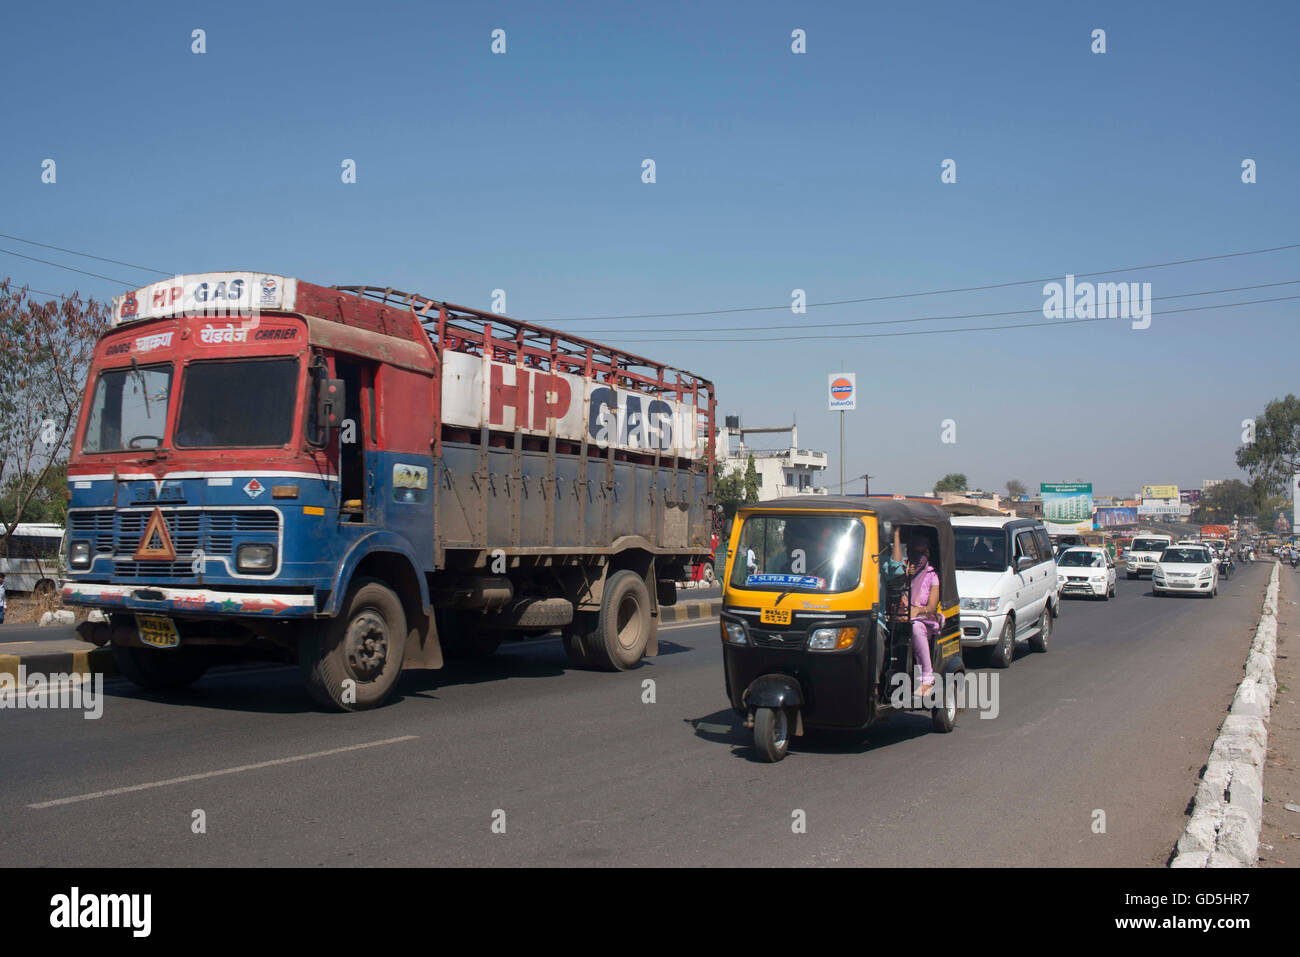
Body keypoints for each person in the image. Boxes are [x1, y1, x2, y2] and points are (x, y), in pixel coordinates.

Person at [894, 534, 943, 696]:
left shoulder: (932, 576)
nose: (919, 557)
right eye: (915, 552)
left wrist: (917, 610)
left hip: (924, 619)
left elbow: (931, 607)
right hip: (903, 616)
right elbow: (897, 597)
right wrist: (905, 577)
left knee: (916, 628)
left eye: (922, 553)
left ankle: (927, 678)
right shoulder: (905, 573)